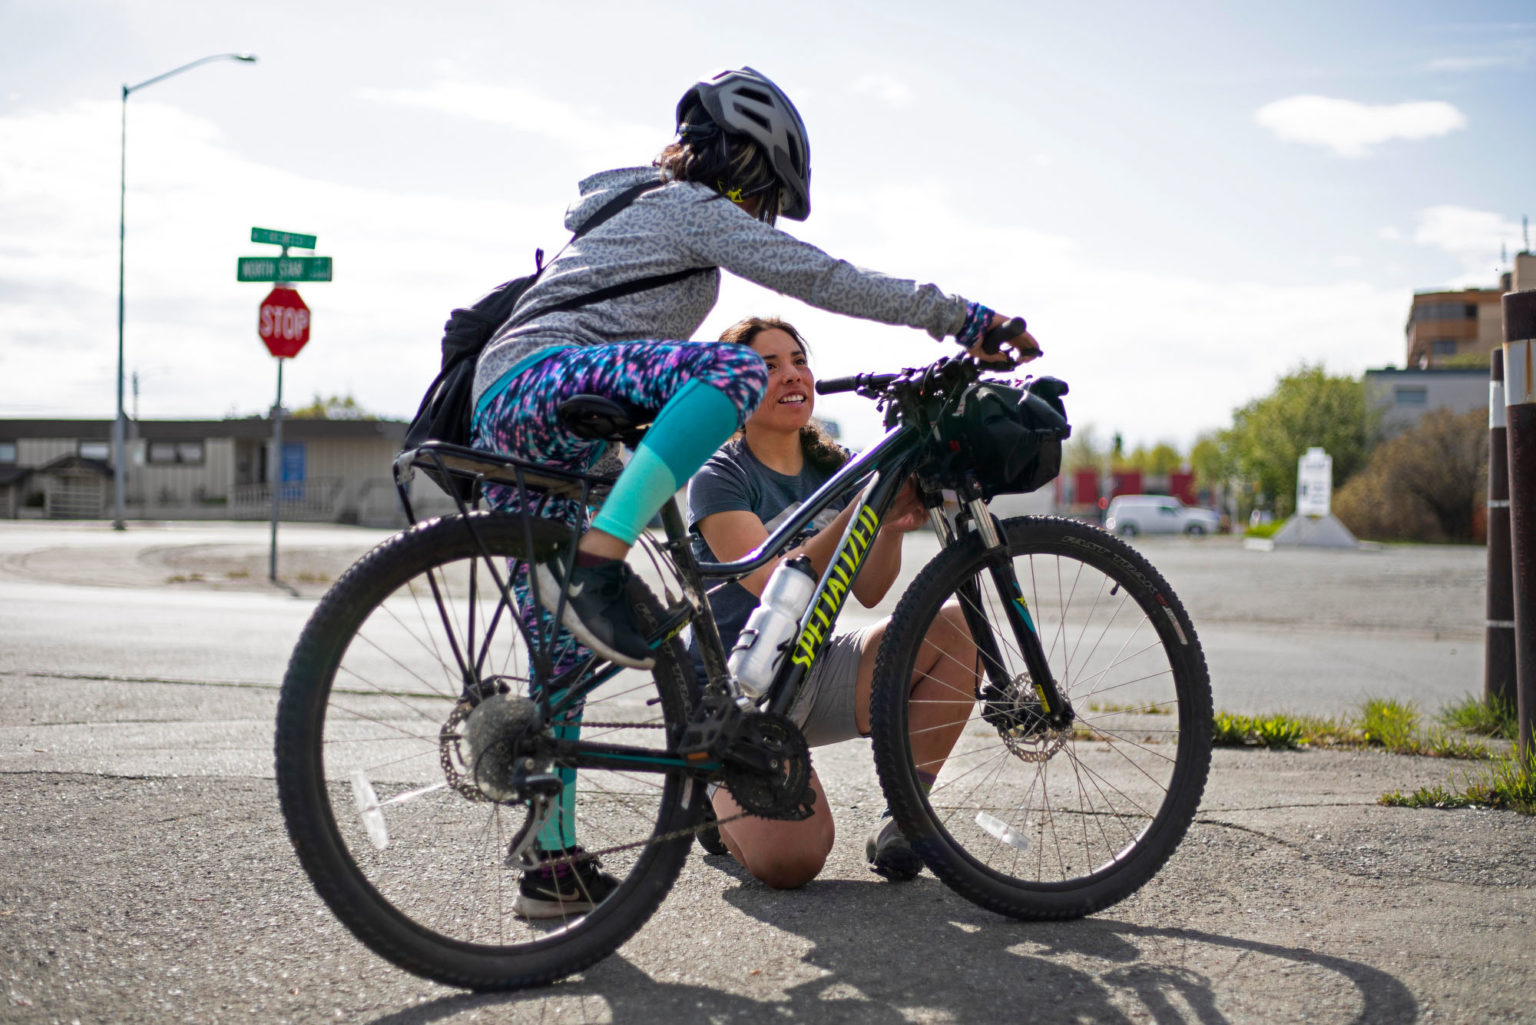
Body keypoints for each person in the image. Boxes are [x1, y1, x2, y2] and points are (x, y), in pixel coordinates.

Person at [468, 67, 1037, 918]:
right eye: (762, 193)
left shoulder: (627, 214)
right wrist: (961, 316)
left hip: (512, 412)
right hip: (541, 382)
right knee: (735, 370)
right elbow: (821, 276)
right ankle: (601, 556)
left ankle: (551, 865)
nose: (756, 214)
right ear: (742, 161)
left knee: (565, 653)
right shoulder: (683, 205)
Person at [688, 317, 979, 888]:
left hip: (812, 668)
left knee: (956, 628)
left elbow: (869, 589)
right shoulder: (719, 476)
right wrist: (861, 511)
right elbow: (768, 583)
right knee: (792, 862)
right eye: (769, 366)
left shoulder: (837, 468)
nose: (792, 375)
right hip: (736, 692)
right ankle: (713, 790)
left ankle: (907, 817)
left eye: (798, 360)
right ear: (734, 391)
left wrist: (888, 526)